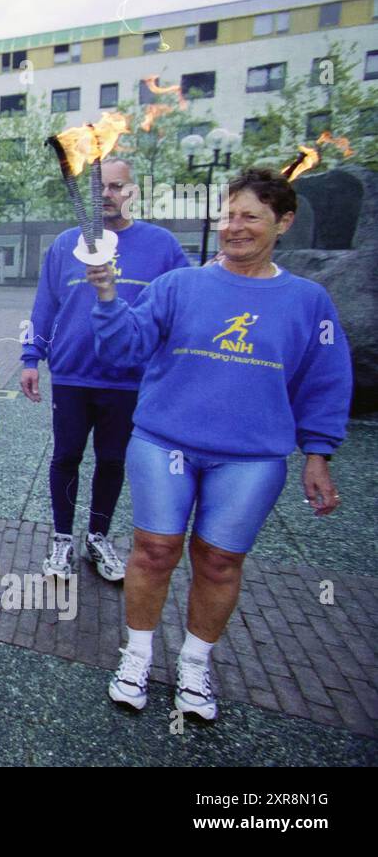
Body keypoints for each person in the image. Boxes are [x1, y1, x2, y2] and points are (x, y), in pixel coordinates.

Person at [88, 168, 350, 721]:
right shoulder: (180, 284)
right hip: (165, 443)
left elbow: (324, 382)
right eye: (228, 215)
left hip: (252, 456)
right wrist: (108, 296)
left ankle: (195, 664)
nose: (234, 228)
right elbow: (125, 349)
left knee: (220, 561)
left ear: (283, 222)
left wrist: (318, 454)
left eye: (250, 217)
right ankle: (136, 656)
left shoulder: (308, 300)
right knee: (154, 551)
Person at [21, 158, 189, 582]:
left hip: (130, 380)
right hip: (73, 376)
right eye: (100, 189)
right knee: (66, 457)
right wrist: (30, 358)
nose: (108, 196)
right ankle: (62, 539)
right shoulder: (65, 245)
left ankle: (98, 535)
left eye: (117, 187)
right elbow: (46, 304)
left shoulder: (162, 245)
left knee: (112, 461)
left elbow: (188, 302)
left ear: (133, 192)